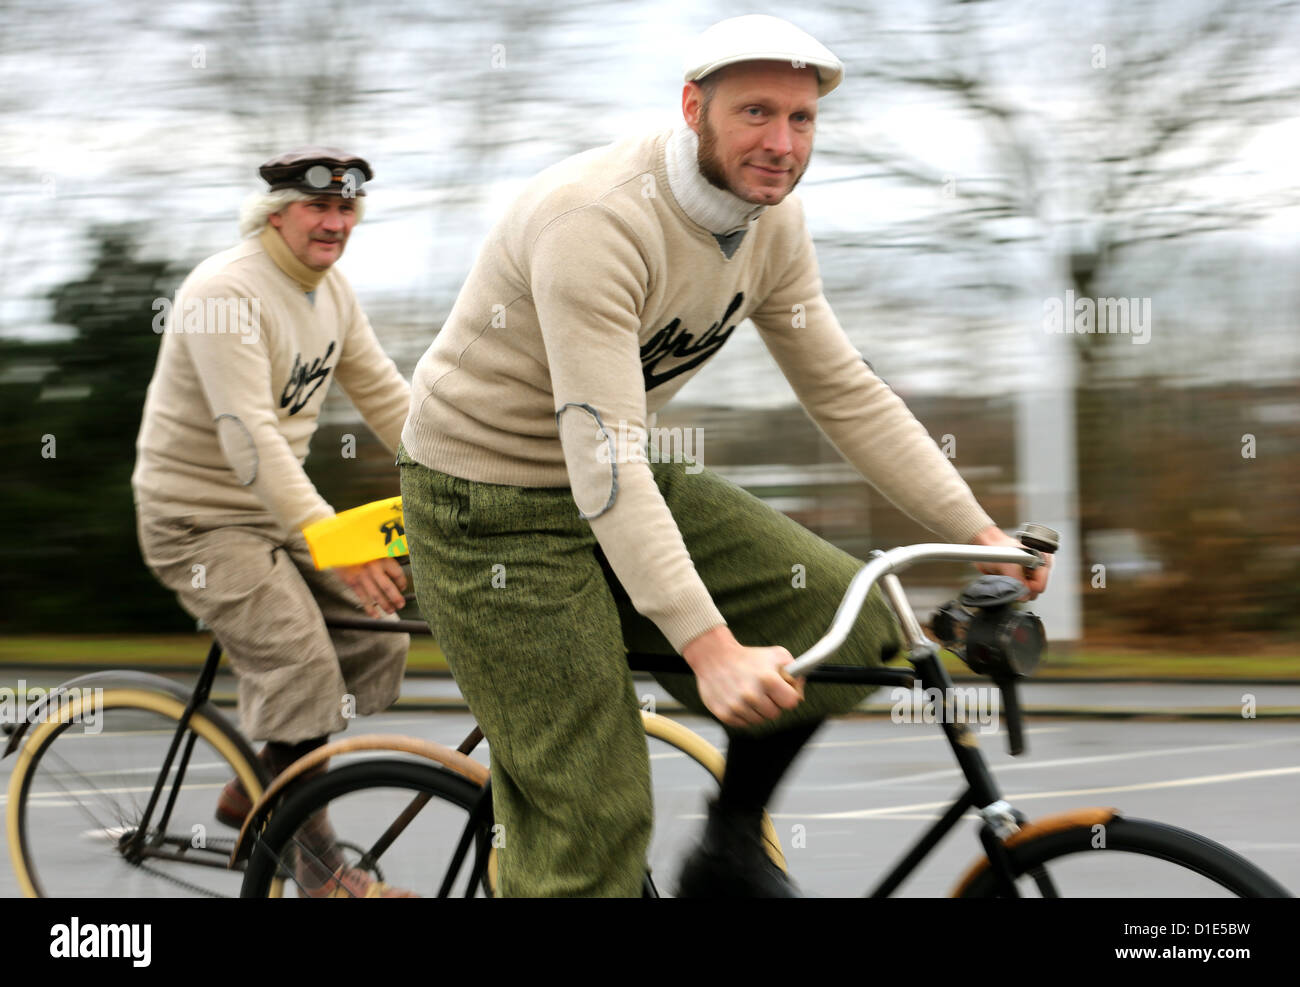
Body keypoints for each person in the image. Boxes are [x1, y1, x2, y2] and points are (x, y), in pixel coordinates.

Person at [398, 15, 1052, 898]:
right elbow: (607, 454)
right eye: (755, 113)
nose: (781, 144)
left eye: (802, 119)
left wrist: (980, 534)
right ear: (692, 107)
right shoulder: (595, 220)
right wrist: (710, 648)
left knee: (851, 626)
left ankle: (730, 846)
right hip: (488, 503)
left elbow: (845, 391)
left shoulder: (772, 226)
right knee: (593, 811)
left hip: (614, 477)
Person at [132, 147, 414, 895]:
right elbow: (247, 437)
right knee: (301, 665)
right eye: (318, 207)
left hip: (274, 512)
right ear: (276, 212)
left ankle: (256, 786)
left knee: (376, 625)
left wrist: (472, 469)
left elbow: (388, 398)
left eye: (347, 208)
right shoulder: (226, 292)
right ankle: (319, 868)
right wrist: (334, 541)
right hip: (196, 520)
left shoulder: (333, 292)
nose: (335, 222)